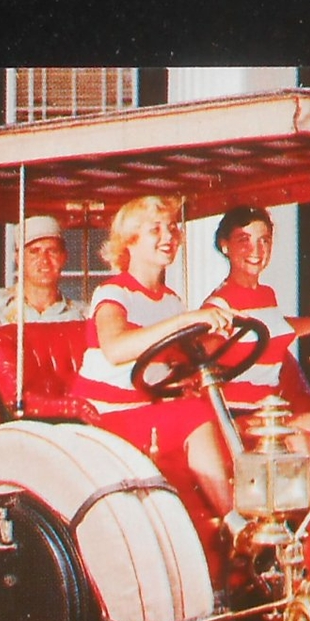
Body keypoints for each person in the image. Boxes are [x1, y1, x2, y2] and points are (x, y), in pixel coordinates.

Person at [65, 196, 236, 514]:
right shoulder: (113, 293)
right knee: (194, 416)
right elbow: (116, 348)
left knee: (216, 415)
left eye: (172, 228)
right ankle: (236, 524)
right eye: (155, 229)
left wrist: (217, 336)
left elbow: (179, 359)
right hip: (103, 416)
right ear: (130, 240)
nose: (169, 236)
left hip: (145, 408)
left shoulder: (171, 300)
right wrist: (187, 320)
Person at [195, 205, 310, 490]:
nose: (256, 249)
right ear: (225, 246)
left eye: (264, 240)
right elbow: (203, 358)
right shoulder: (218, 305)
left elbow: (278, 327)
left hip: (273, 412)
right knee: (307, 444)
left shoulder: (265, 294)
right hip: (239, 417)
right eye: (244, 240)